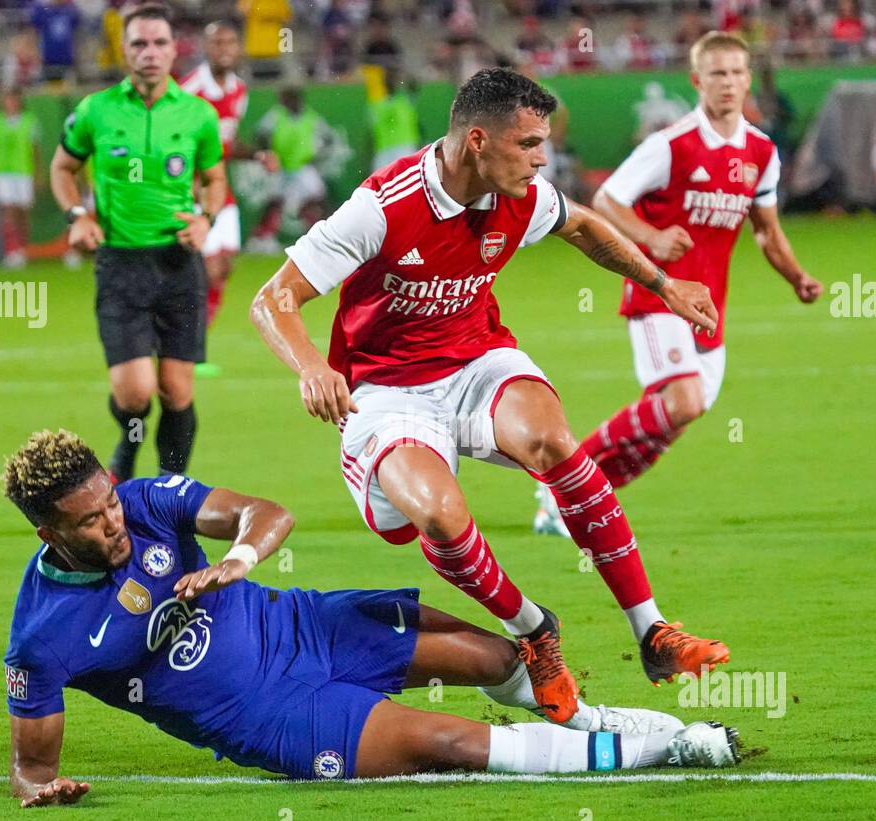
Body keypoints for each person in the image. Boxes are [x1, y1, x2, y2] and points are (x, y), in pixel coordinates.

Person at [248, 68, 730, 725]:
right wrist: (310, 366)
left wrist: (663, 284)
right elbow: (274, 298)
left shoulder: (524, 197)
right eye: (530, 144)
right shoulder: (384, 208)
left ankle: (652, 633)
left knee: (556, 443)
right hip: (388, 390)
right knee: (442, 517)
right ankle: (535, 631)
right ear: (478, 141)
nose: (543, 159)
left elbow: (585, 227)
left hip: (477, 360)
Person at [1, 429, 741, 803]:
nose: (113, 524)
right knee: (452, 745)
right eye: (91, 522)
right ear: (48, 534)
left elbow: (266, 511)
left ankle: (592, 722)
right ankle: (665, 751)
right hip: (269, 713)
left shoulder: (141, 501)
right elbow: (31, 770)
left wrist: (237, 562)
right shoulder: (42, 640)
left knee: (499, 658)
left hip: (299, 625)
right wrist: (44, 790)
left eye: (108, 502)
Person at [546, 33, 820, 510]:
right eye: (717, 73)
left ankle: (581, 499)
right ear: (697, 80)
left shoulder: (760, 153)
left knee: (674, 421)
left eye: (737, 72)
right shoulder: (672, 146)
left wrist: (797, 277)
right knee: (685, 401)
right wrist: (651, 238)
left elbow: (767, 231)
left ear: (748, 79)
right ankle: (561, 482)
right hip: (660, 295)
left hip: (710, 306)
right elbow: (607, 198)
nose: (729, 83)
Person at [49, 3, 228, 483]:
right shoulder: (96, 110)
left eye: (159, 43)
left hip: (177, 264)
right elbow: (61, 168)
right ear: (124, 51)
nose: (150, 52)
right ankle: (126, 454)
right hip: (120, 265)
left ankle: (170, 490)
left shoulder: (198, 115)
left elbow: (214, 179)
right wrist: (78, 215)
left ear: (175, 50)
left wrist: (206, 218)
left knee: (177, 391)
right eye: (139, 44)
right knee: (135, 395)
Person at [179, 19, 269, 326]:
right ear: (206, 47)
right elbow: (171, 141)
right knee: (202, 270)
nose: (225, 49)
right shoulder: (189, 89)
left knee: (224, 266)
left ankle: (196, 340)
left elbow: (227, 142)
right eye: (217, 43)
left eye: (230, 42)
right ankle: (185, 339)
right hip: (191, 191)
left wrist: (256, 155)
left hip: (221, 190)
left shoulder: (238, 90)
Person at [246, 86, 334, 254]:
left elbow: (327, 138)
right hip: (283, 167)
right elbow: (260, 134)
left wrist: (318, 153)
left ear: (295, 100)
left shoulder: (311, 117)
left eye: (286, 99)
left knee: (318, 201)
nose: (283, 103)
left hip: (304, 168)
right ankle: (262, 238)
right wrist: (268, 151)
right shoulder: (276, 115)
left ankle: (326, 236)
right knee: (275, 203)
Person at [0, 89, 42, 268]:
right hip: (1, 171)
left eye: (12, 99)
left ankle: (22, 250)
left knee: (22, 212)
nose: (9, 103)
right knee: (7, 210)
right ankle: (11, 251)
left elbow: (35, 149)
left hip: (24, 171)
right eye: (6, 99)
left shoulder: (29, 121)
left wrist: (38, 173)